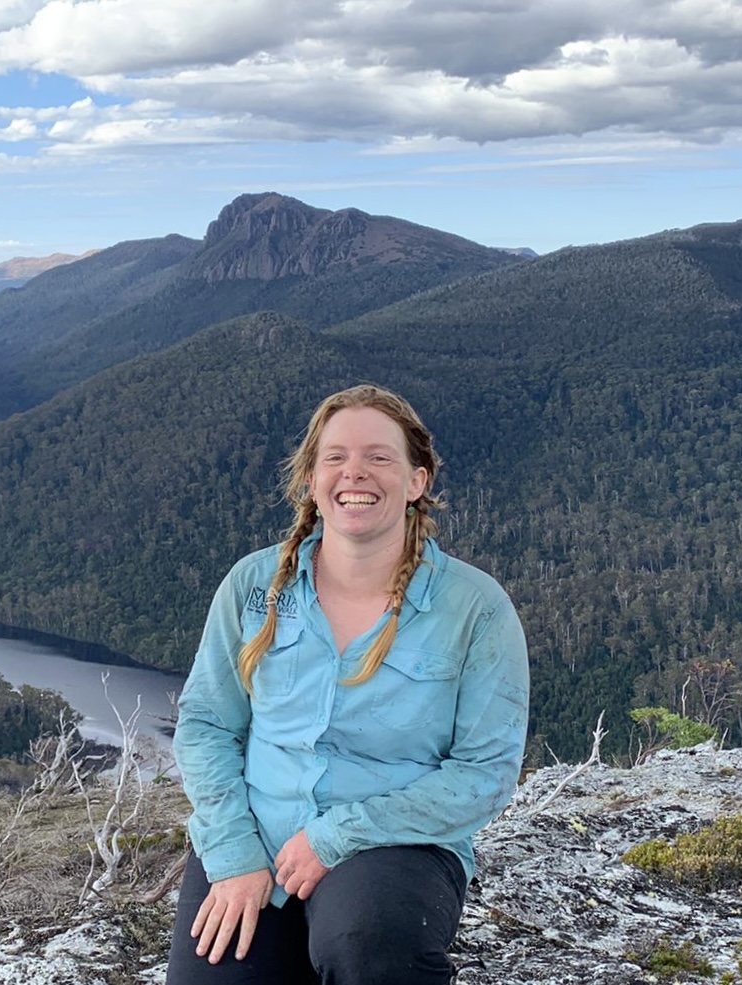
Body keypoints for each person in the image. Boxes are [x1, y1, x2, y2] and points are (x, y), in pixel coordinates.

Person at [166, 384, 530, 985]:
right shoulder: (253, 586)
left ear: (416, 481)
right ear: (312, 478)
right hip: (256, 833)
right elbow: (206, 725)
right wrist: (233, 855)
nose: (353, 473)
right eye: (334, 457)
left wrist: (337, 835)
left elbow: (484, 773)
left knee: (369, 948)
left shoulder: (475, 609)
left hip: (395, 842)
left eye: (379, 457)